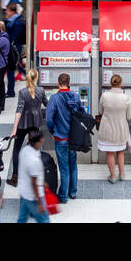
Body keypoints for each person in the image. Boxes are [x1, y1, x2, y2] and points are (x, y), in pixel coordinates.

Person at [46, 72, 86, 203]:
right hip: (73, 138)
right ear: (69, 83)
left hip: (61, 139)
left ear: (58, 84)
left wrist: (53, 131)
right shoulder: (75, 96)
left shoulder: (54, 99)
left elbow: (49, 119)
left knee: (64, 168)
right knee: (73, 165)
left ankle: (63, 196)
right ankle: (73, 192)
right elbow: (83, 114)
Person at [7, 69, 46, 185]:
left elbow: (19, 110)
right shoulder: (41, 91)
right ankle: (32, 175)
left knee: (17, 149)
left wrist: (14, 129)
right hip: (35, 122)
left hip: (23, 123)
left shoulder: (22, 92)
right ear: (36, 78)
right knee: (34, 148)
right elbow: (47, 104)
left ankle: (15, 177)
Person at [98, 74, 131, 183]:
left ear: (110, 83)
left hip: (107, 129)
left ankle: (112, 176)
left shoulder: (104, 96)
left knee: (110, 152)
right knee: (120, 151)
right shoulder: (126, 97)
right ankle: (122, 174)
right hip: (121, 129)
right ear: (121, 84)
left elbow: (100, 112)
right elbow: (129, 117)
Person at [15, 129, 49, 223]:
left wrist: (42, 182)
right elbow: (33, 182)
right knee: (44, 220)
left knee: (22, 218)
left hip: (23, 192)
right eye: (42, 139)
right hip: (32, 196)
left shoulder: (24, 151)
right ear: (38, 142)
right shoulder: (34, 161)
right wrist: (39, 202)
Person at [3, 3, 24, 97]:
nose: (5, 12)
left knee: (10, 70)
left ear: (12, 11)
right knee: (12, 69)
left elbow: (12, 37)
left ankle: (11, 91)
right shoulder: (11, 20)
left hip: (13, 49)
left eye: (7, 10)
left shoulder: (16, 23)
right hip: (12, 48)